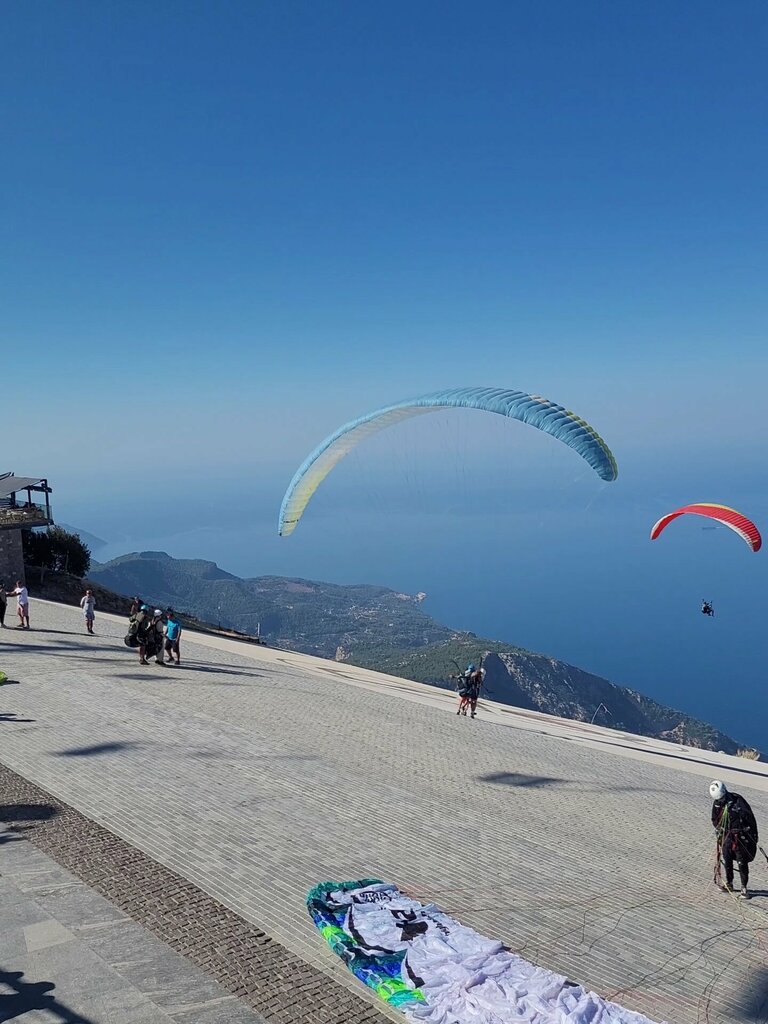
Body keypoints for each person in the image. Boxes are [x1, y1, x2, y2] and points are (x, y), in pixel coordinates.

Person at [710, 780, 758, 899]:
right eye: (718, 799)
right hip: (726, 836)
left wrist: (753, 834)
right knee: (727, 858)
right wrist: (720, 828)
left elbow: (750, 817)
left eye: (721, 798)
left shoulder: (738, 800)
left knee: (742, 861)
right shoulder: (717, 804)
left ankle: (744, 888)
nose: (720, 801)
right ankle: (729, 883)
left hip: (740, 837)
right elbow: (714, 819)